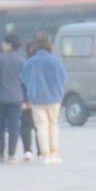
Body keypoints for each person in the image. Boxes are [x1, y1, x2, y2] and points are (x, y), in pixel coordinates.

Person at [22, 34, 67, 164]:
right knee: (53, 124)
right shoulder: (56, 60)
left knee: (41, 126)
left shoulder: (30, 62)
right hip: (54, 97)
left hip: (36, 98)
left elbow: (24, 78)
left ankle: (45, 154)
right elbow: (63, 77)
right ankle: (54, 153)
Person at [0, 34, 27, 162]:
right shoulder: (22, 61)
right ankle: (12, 154)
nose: (3, 45)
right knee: (14, 127)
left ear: (9, 44)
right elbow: (24, 81)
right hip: (16, 97)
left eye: (4, 43)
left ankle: (1, 154)